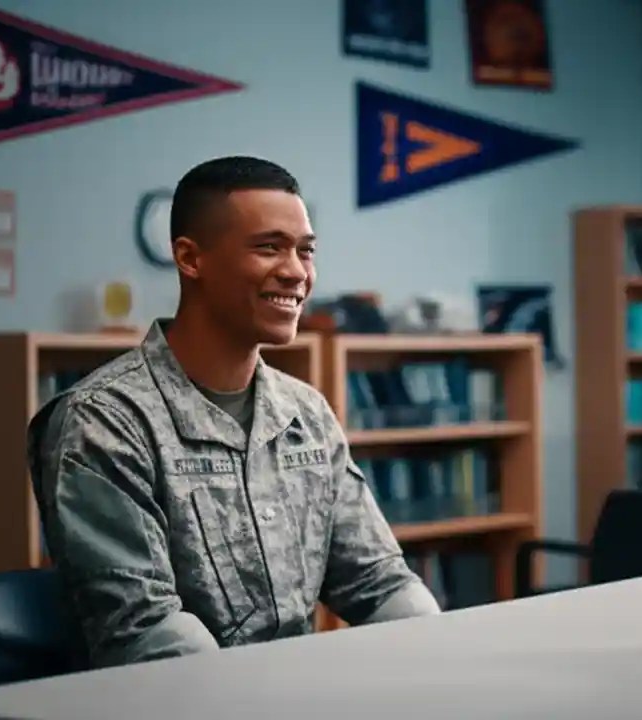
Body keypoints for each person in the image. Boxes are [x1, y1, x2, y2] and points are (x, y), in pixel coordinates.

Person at [28, 156, 440, 668]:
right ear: (190, 259)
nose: (296, 272)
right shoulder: (104, 420)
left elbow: (378, 583)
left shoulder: (304, 412)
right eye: (269, 247)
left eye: (305, 251)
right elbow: (147, 633)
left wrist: (439, 657)